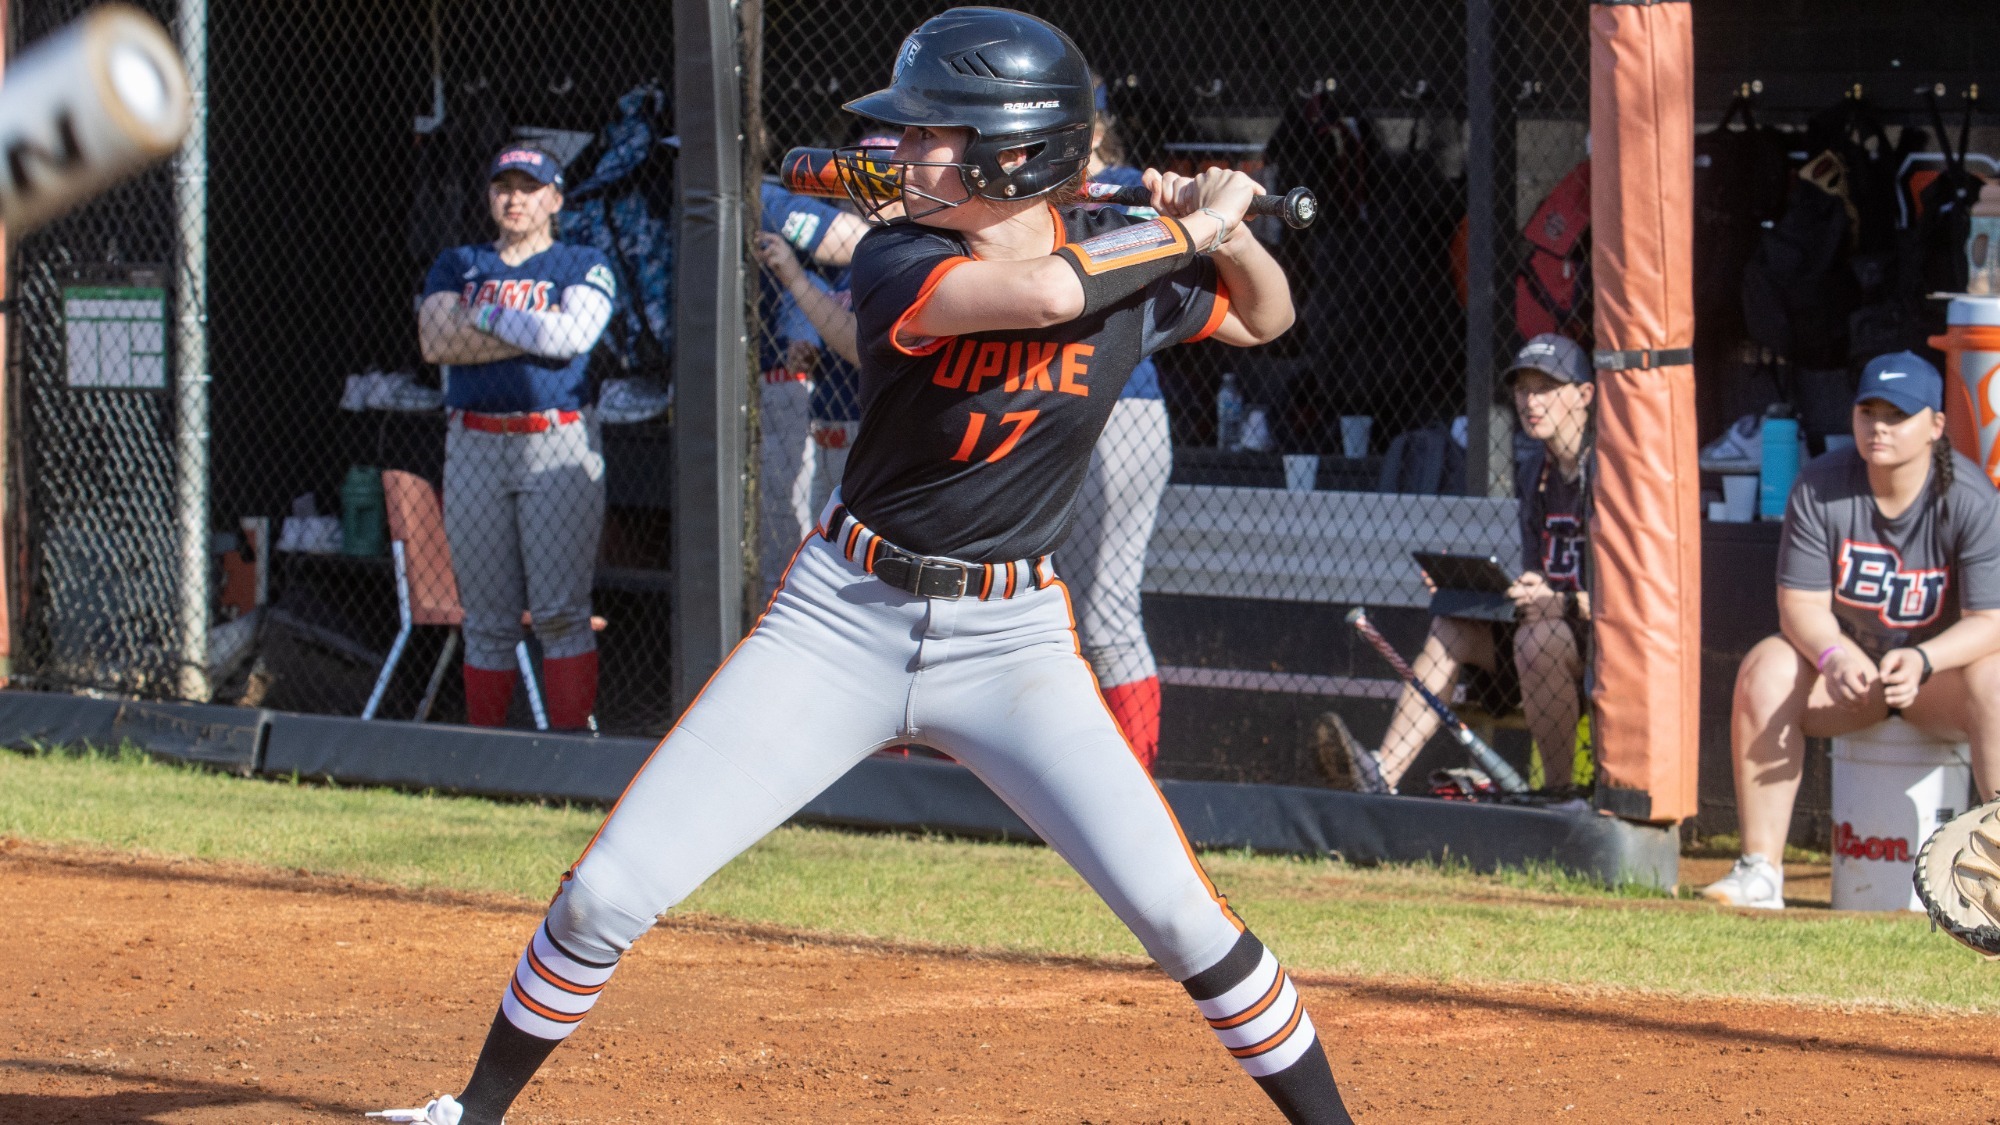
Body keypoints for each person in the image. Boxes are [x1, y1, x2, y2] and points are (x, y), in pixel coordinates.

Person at [377, 9, 1355, 1124]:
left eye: (933, 135)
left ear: (1015, 154)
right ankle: (472, 1112)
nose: (899, 156)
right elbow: (1048, 295)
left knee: (1184, 921)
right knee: (605, 894)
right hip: (842, 618)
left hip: (1013, 643)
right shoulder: (901, 256)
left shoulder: (1131, 272)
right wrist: (1196, 223)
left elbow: (1266, 317)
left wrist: (1225, 229)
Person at [1703, 352, 2000, 910]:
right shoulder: (1820, 484)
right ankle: (1760, 870)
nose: (1879, 427)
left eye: (1898, 415)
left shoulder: (1971, 496)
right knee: (1767, 667)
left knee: (1998, 680)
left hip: (1937, 684)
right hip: (1851, 682)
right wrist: (1834, 655)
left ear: (1936, 425)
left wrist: (1924, 660)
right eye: (1869, 412)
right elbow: (1799, 604)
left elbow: (1992, 622)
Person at [1320, 333, 1596, 793]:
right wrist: (1486, 592)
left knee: (1538, 639)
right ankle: (1383, 773)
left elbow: (1632, 603)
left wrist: (1561, 604)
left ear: (1584, 395)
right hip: (1545, 629)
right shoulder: (1536, 472)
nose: (1531, 402)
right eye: (1523, 389)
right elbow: (1540, 576)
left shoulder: (1610, 472)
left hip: (1599, 641)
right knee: (1453, 625)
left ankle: (1558, 795)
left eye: (1546, 388)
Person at [416, 145, 615, 730]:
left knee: (560, 615)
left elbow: (574, 336)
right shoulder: (459, 262)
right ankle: (485, 756)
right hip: (473, 444)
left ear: (555, 199)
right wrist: (534, 334)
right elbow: (435, 343)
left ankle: (569, 753)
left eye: (530, 188)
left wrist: (481, 317)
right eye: (504, 187)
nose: (515, 199)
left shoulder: (581, 261)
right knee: (486, 621)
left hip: (555, 441)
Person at [1054, 87, 1176, 772]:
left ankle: (1138, 777)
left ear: (1098, 130)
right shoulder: (1032, 193)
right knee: (1056, 614)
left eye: (1078, 125)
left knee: (1106, 613)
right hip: (1057, 404)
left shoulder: (1128, 186)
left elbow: (1146, 215)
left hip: (1124, 412)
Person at [754, 167, 873, 598]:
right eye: (852, 191)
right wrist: (812, 351)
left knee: (857, 574)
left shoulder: (892, 264)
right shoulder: (836, 271)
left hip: (865, 436)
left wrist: (796, 279)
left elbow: (863, 349)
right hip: (824, 431)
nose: (858, 201)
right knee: (819, 567)